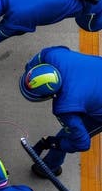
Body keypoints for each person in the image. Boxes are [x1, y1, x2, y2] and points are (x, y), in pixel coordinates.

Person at [20, 45, 102, 179]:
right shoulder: (54, 55)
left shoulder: (65, 108)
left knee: (67, 135)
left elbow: (82, 143)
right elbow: (38, 59)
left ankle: (49, 167)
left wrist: (53, 142)